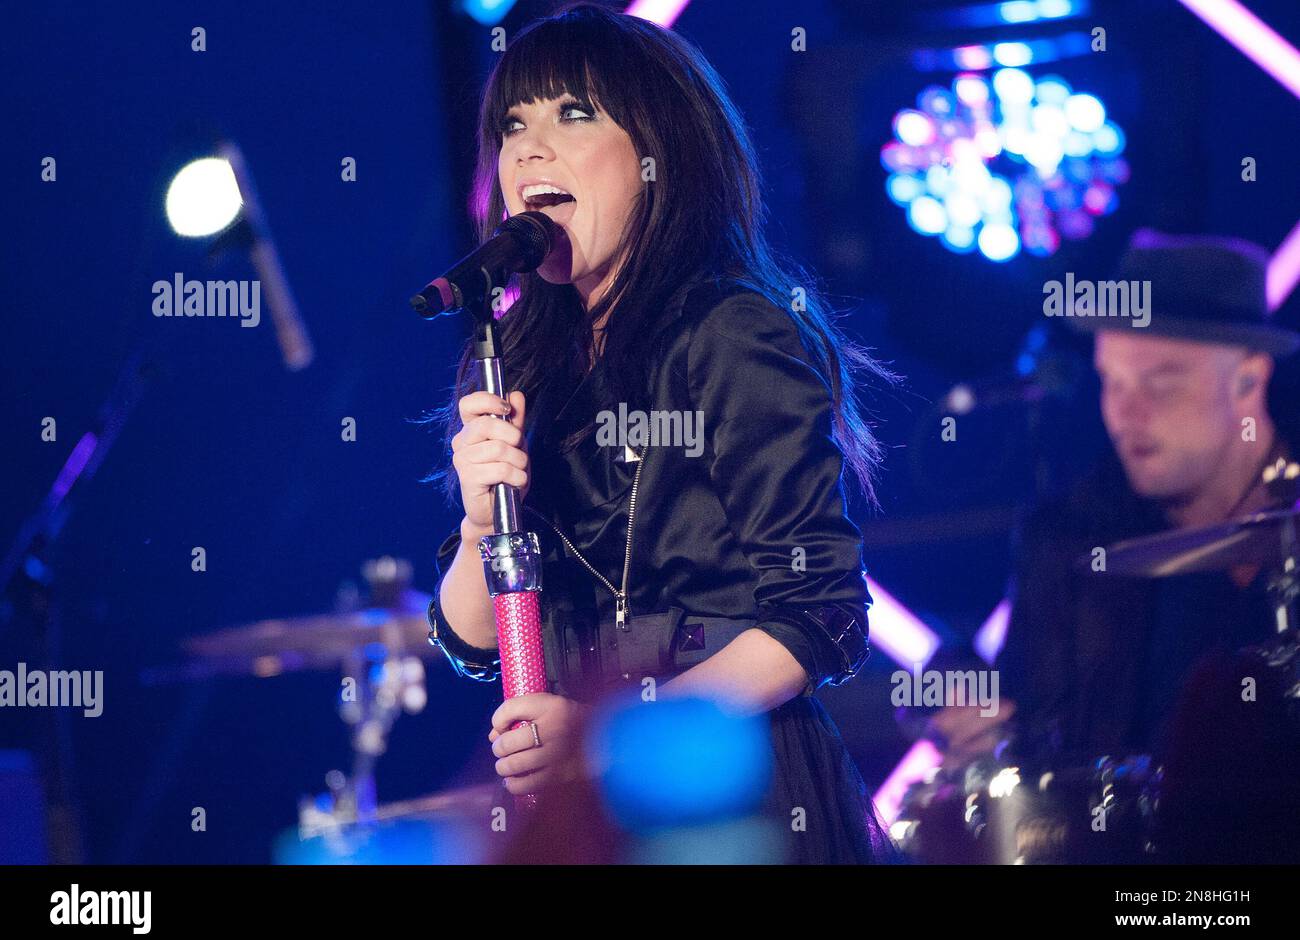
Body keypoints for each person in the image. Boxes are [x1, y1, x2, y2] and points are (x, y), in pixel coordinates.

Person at [426, 4, 895, 863]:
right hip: (593, 816)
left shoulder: (731, 332)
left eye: (574, 113)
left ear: (658, 156)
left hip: (729, 800)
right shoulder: (527, 360)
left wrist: (613, 736)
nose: (530, 148)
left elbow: (820, 617)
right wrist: (478, 527)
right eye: (513, 125)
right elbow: (465, 641)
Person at [958, 230, 1299, 861]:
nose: (1125, 412)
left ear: (1249, 380)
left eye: (1161, 381)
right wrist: (962, 705)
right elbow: (1026, 715)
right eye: (1112, 381)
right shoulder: (1071, 534)